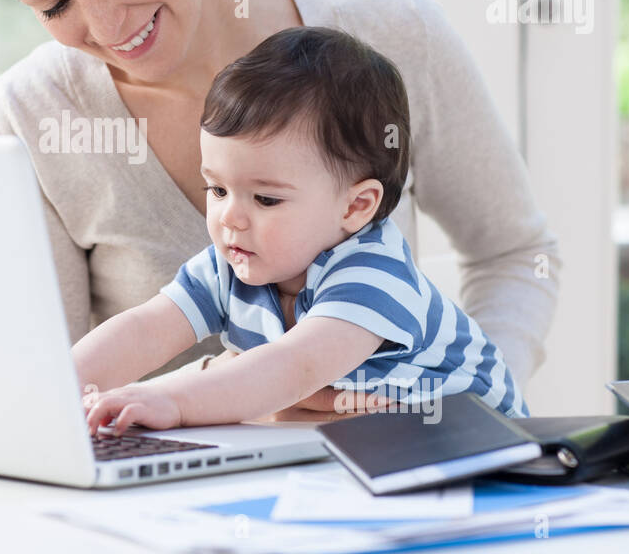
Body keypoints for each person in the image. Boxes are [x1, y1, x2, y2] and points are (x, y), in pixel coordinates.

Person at [0, 0, 560, 420]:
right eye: (53, 5)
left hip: (410, 458)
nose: (106, 26)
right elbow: (53, 377)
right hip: (172, 474)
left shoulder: (395, 39)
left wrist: (465, 416)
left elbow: (513, 254)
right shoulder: (30, 116)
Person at [75, 26, 529, 435]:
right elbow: (145, 329)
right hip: (373, 452)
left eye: (266, 199)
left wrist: (173, 402)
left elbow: (293, 368)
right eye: (217, 189)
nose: (230, 217)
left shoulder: (374, 273)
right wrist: (60, 386)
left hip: (483, 447)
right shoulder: (231, 263)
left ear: (356, 206)